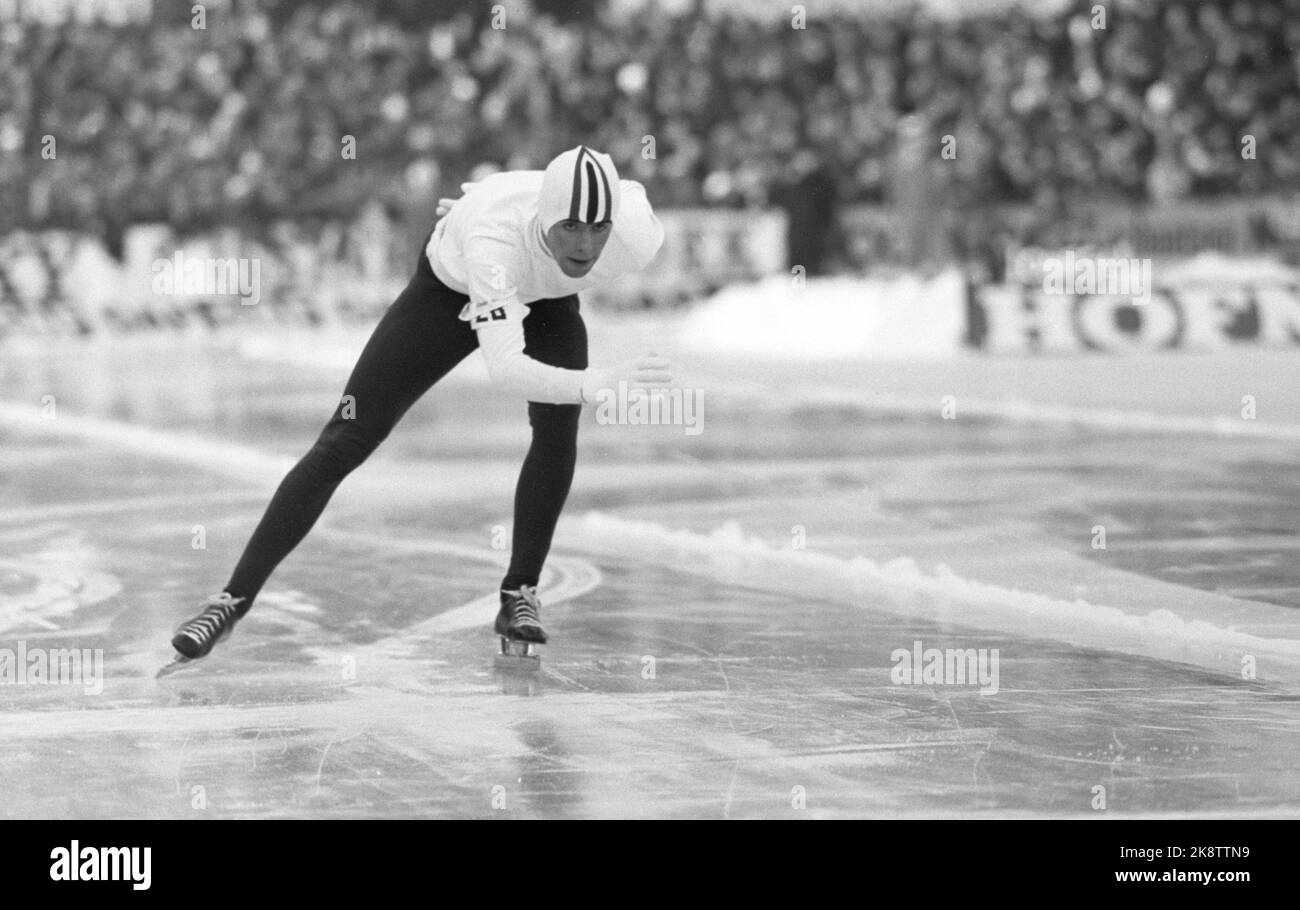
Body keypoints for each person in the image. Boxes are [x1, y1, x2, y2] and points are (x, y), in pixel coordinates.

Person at [169, 145, 672, 660]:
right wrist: (595, 383)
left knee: (558, 427)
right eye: (569, 227)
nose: (586, 245)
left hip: (544, 297)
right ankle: (232, 600)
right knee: (348, 437)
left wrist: (494, 188)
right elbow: (507, 370)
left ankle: (519, 592)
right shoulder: (492, 242)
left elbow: (579, 190)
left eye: (597, 228)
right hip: (450, 288)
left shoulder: (636, 232)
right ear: (542, 215)